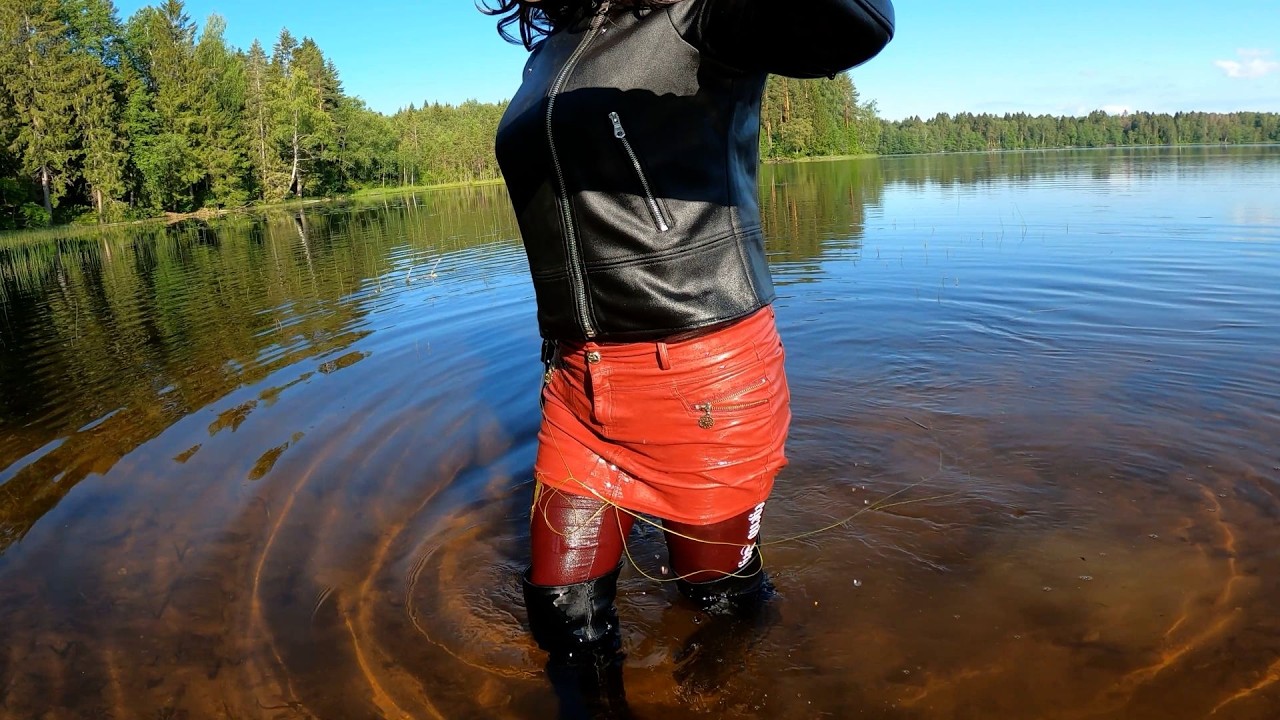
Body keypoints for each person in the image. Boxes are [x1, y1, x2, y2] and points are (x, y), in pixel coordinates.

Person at [486, 0, 895, 715]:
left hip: (700, 383)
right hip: (577, 392)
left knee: (718, 615)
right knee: (564, 624)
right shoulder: (553, 51)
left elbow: (859, 21)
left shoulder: (699, 12)